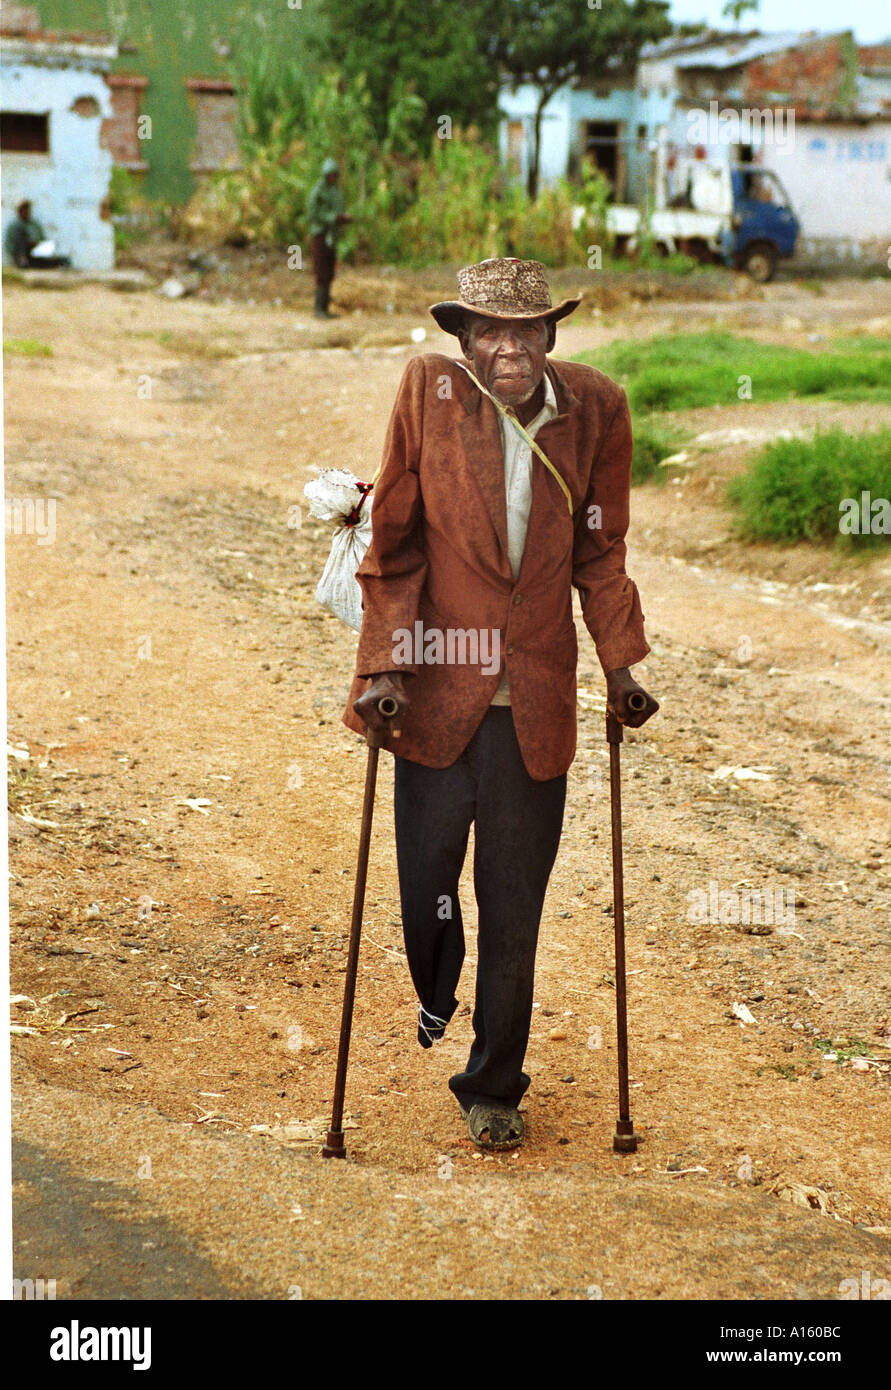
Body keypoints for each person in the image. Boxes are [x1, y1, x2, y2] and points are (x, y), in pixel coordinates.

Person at [342, 257, 658, 1151]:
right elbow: (393, 541)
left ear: (551, 335)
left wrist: (621, 664)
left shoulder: (595, 406)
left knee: (512, 904)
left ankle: (492, 1082)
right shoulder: (426, 394)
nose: (509, 347)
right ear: (463, 340)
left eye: (526, 330)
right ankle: (437, 994)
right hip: (437, 687)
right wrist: (386, 666)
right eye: (490, 330)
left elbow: (603, 554)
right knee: (425, 888)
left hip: (536, 699)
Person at [307, 157, 351, 318]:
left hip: (331, 235)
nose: (332, 178)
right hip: (320, 234)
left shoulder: (335, 191)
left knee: (330, 272)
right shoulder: (318, 191)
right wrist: (333, 217)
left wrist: (342, 218)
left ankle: (325, 308)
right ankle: (319, 309)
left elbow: (337, 209)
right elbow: (313, 213)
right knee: (322, 272)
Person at [4, 200, 70, 268]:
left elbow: (42, 239)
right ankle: (23, 261)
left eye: (27, 209)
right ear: (19, 211)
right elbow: (11, 245)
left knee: (60, 259)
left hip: (35, 253)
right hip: (21, 254)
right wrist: (28, 245)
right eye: (24, 210)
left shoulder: (34, 224)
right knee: (21, 237)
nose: (26, 212)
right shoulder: (14, 226)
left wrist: (38, 244)